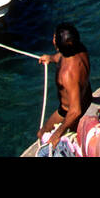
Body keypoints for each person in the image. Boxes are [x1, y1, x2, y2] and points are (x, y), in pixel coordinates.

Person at [36, 22, 91, 157]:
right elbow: (62, 55)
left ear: (57, 44)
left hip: (68, 110)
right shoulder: (79, 49)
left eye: (55, 37)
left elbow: (75, 110)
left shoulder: (68, 74)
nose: (53, 38)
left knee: (42, 134)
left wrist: (57, 134)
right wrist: (51, 58)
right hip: (86, 97)